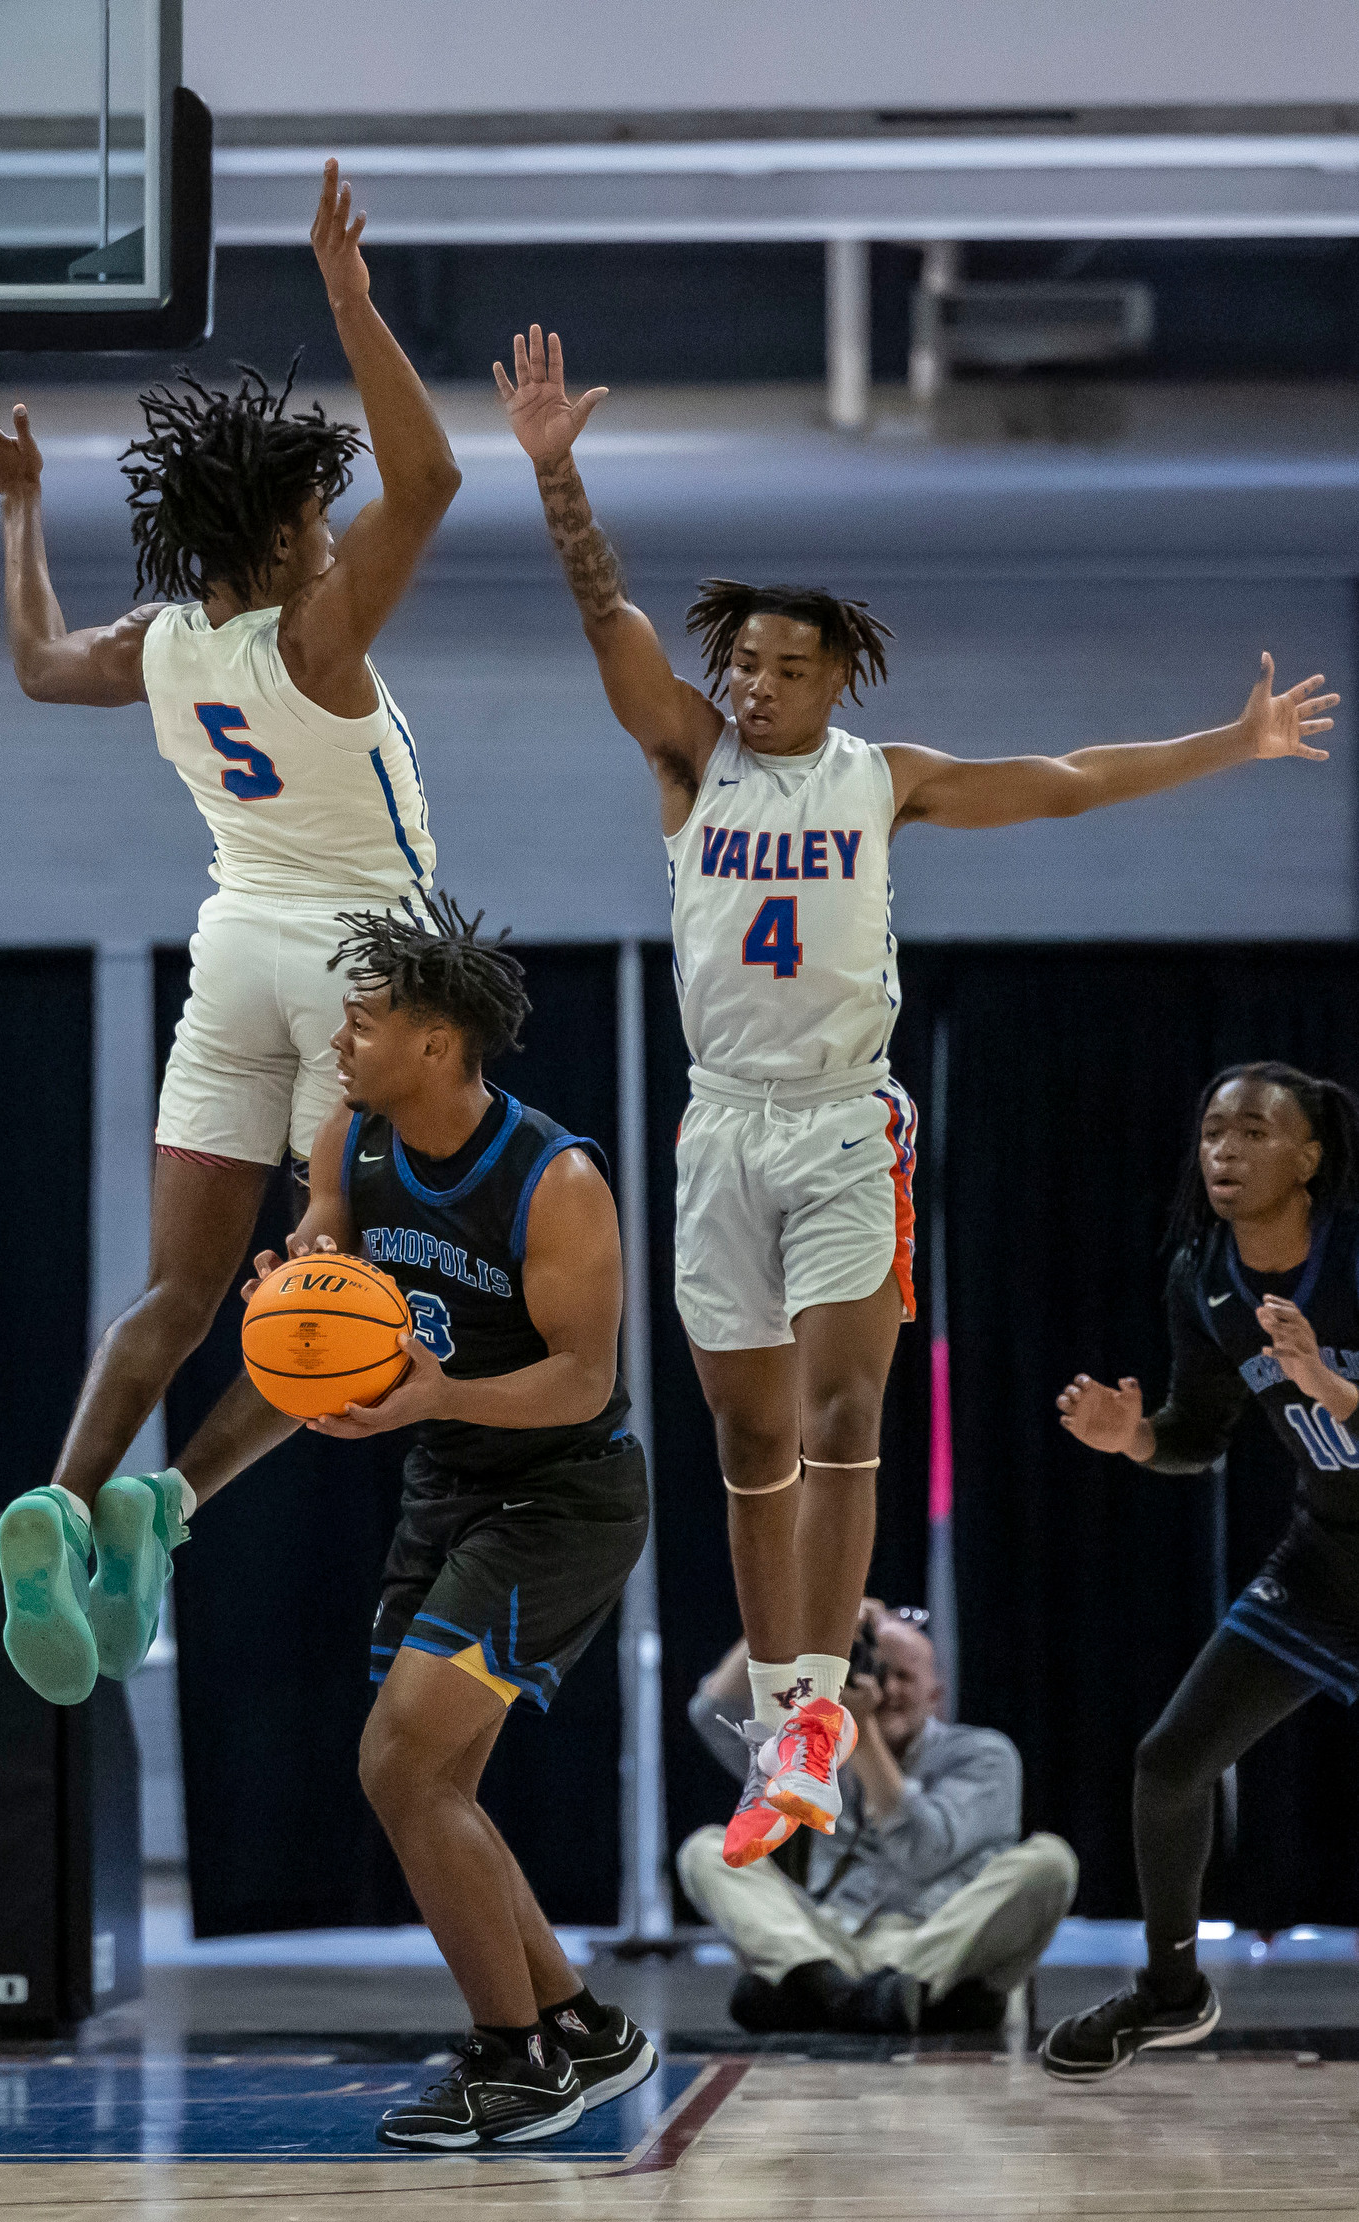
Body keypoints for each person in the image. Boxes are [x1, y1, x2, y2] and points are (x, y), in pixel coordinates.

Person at [492, 322, 1341, 1876]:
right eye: (739, 659)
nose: (751, 681)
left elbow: (1070, 775)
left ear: (839, 678)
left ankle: (812, 1719)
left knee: (840, 1413)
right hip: (717, 1125)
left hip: (835, 1119)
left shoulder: (881, 779)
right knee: (745, 1447)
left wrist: (1230, 740)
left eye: (783, 663)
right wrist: (558, 470)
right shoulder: (688, 756)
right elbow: (604, 611)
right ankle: (789, 1722)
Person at [0, 160, 462, 1709]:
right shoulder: (315, 634)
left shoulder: (164, 644)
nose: (332, 522)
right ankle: (176, 1499)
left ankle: (67, 1492)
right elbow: (428, 484)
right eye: (316, 507)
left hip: (228, 953)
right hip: (366, 972)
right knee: (334, 1306)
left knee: (173, 1297)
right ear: (290, 537)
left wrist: (23, 503)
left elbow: (36, 661)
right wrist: (354, 303)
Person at [143, 896, 655, 2147]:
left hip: (565, 1491)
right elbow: (325, 1248)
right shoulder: (353, 1137)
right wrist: (295, 1293)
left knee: (398, 1763)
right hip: (452, 1488)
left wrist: (439, 1392)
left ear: (438, 1041)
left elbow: (585, 1375)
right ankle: (582, 2027)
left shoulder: (558, 1177)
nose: (342, 1040)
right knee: (437, 1786)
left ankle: (512, 2055)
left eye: (364, 1021)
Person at [1044, 1062, 1359, 2080]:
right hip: (1327, 1559)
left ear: (1309, 1157)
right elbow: (1198, 1434)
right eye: (1213, 1128)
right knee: (1171, 1761)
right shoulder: (1204, 1275)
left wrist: (1332, 1384)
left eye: (1256, 1130)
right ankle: (1172, 1990)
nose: (1225, 1148)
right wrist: (1135, 1436)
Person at [679, 1601, 1077, 2034]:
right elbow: (712, 1711)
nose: (886, 1691)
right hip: (836, 1945)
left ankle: (823, 1998)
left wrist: (862, 1730)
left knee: (1051, 1861)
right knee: (710, 1847)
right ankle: (854, 1995)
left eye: (904, 1677)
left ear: (935, 1694)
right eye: (874, 1671)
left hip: (937, 1943)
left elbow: (921, 1852)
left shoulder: (983, 1754)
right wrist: (804, 1622)